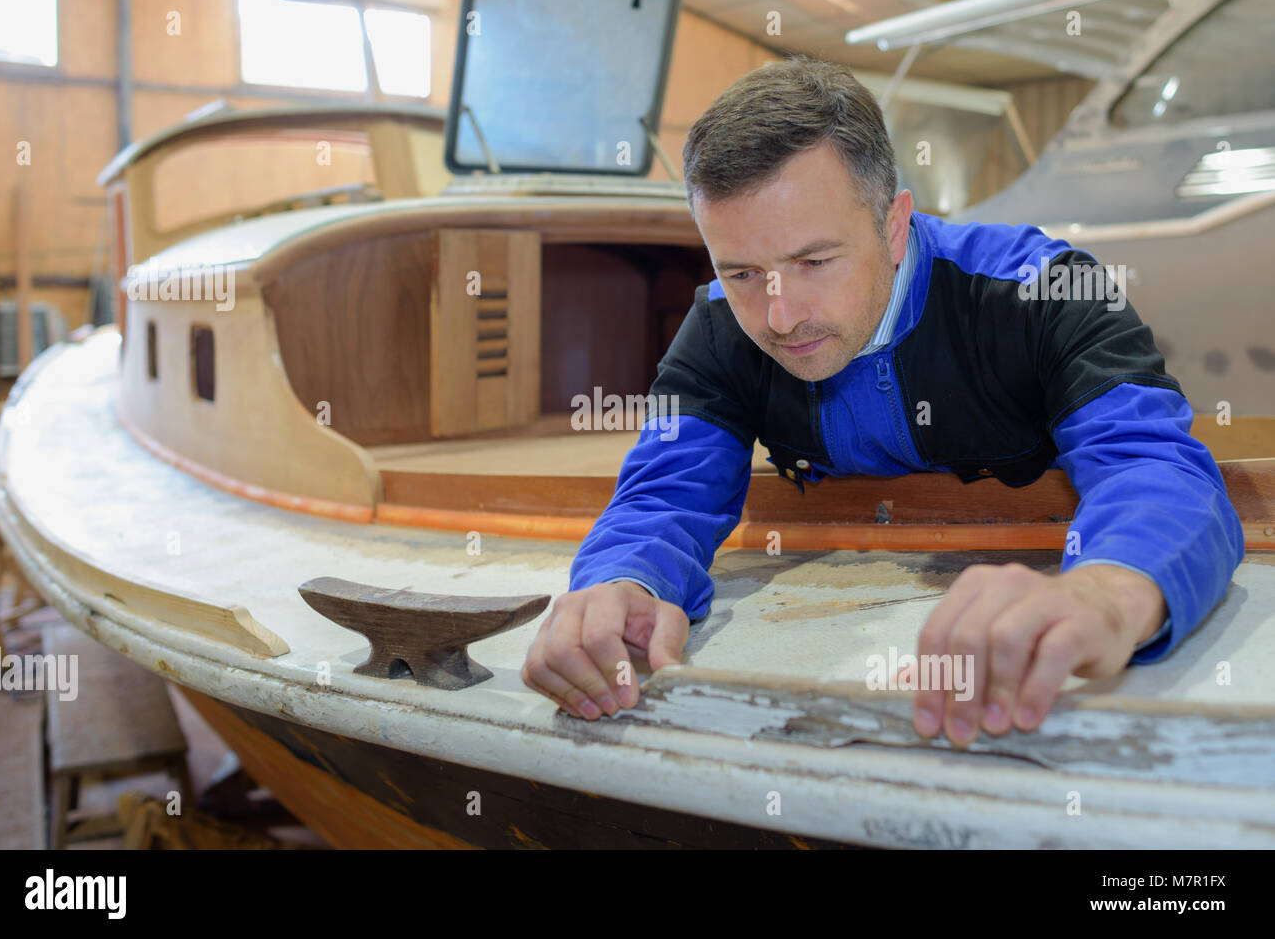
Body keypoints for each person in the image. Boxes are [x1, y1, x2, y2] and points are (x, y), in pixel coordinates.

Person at [520, 56, 1245, 748]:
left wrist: (1108, 593)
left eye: (813, 262)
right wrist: (622, 584)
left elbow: (1155, 466)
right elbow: (662, 493)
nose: (778, 315)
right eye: (741, 271)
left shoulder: (1043, 290)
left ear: (894, 225)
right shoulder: (717, 330)